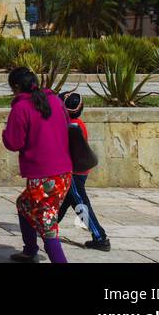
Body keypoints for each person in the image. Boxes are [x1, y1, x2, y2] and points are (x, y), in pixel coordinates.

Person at [1, 67, 73, 263]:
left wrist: (4, 133)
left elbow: (13, 143)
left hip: (43, 177)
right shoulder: (55, 100)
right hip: (64, 173)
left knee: (47, 224)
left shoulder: (21, 108)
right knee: (24, 204)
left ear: (16, 87)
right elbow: (67, 125)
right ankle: (29, 249)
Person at [56, 91, 110, 251]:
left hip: (74, 173)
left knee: (81, 204)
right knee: (65, 201)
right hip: (76, 171)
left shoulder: (71, 127)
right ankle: (46, 227)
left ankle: (100, 237)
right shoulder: (78, 124)